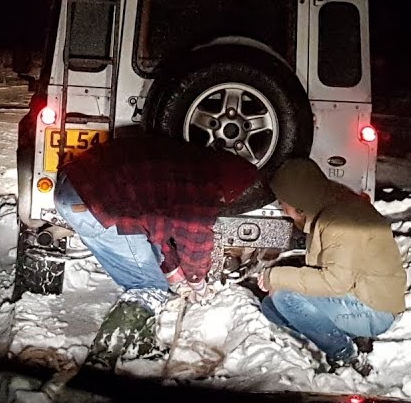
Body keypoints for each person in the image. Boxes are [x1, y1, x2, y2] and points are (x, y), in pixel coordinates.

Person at [52, 134, 260, 370]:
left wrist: (172, 270)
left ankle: (142, 346)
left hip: (73, 188)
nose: (223, 199)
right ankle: (99, 362)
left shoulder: (186, 163)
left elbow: (157, 226)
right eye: (226, 196)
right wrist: (197, 282)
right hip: (95, 203)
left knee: (145, 281)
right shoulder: (202, 185)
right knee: (147, 286)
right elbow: (196, 239)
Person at [256, 158, 407, 375]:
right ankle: (353, 335)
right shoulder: (327, 205)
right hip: (358, 292)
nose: (281, 208)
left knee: (284, 298)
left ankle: (344, 355)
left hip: (376, 308)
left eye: (283, 202)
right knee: (272, 308)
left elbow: (335, 282)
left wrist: (277, 277)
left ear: (298, 201)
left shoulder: (339, 222)